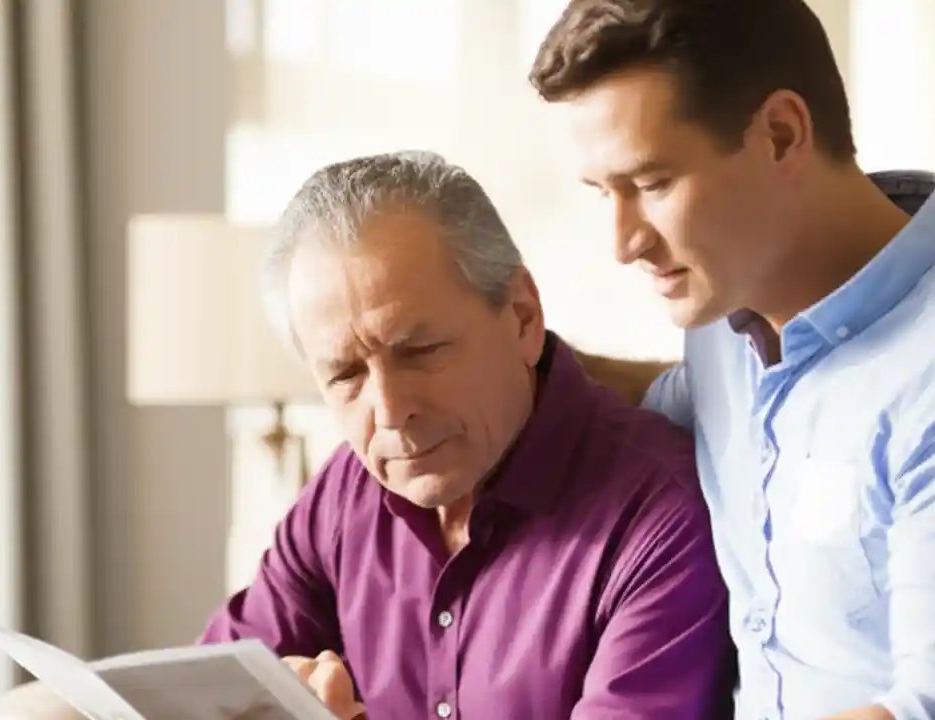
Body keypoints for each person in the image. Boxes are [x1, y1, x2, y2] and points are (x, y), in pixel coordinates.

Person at [528, 1, 935, 719]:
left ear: (781, 134)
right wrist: (497, 352)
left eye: (652, 183)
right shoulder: (733, 325)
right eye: (603, 192)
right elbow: (655, 408)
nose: (623, 242)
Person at [200, 151, 732, 719]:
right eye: (346, 375)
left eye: (419, 351)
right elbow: (202, 696)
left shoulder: (660, 516)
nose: (389, 412)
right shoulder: (343, 495)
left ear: (523, 317)